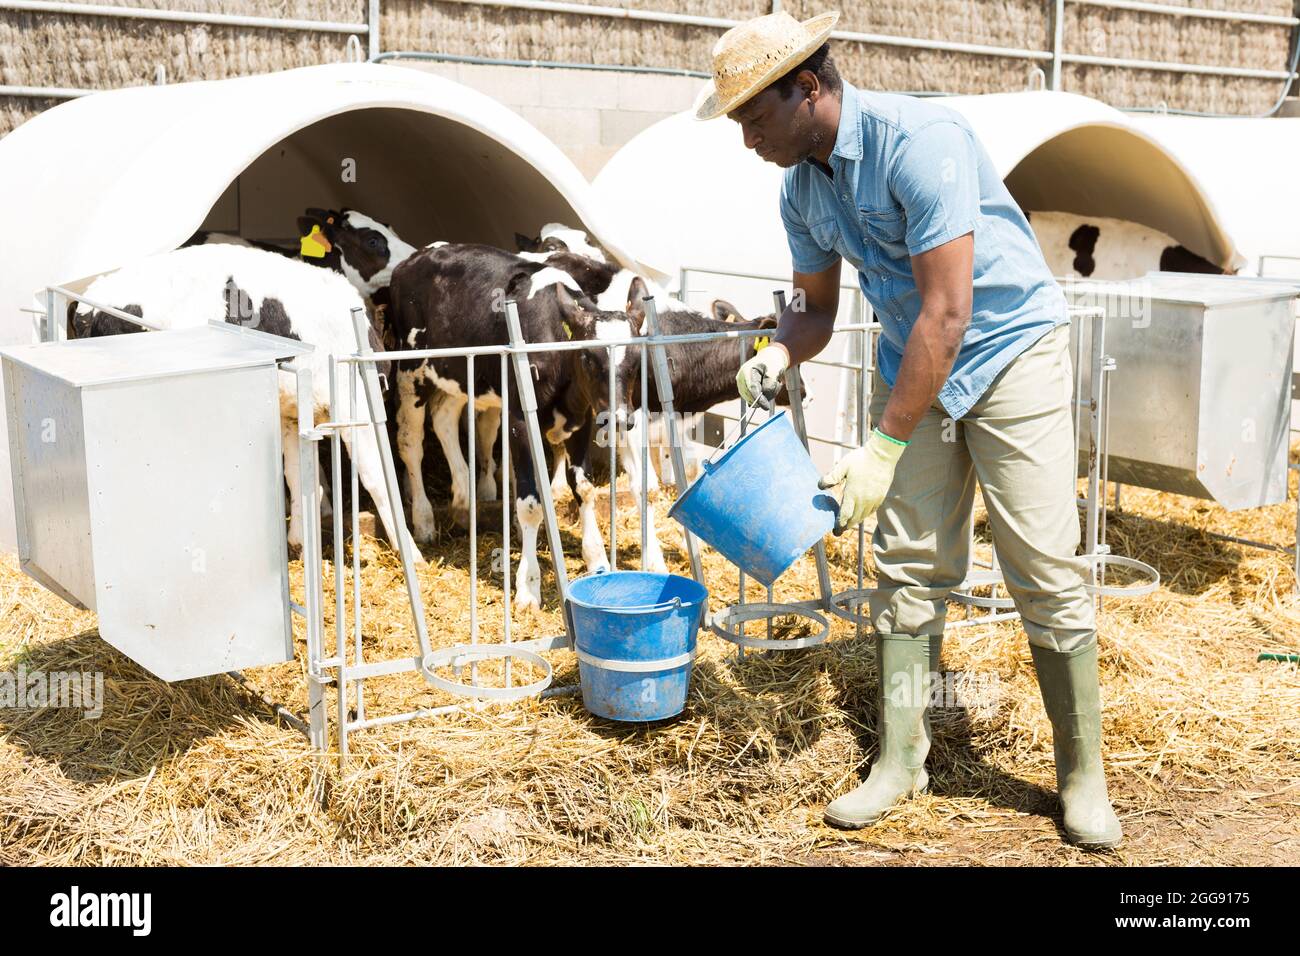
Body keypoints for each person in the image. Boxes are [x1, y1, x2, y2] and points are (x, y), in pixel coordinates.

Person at [695, 9, 1122, 849]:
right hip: (916, 356)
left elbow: (950, 310)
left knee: (1042, 561)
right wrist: (780, 352)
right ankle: (901, 759)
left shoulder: (921, 141)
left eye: (754, 115)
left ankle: (1082, 777)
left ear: (808, 87)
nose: (746, 138)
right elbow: (818, 308)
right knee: (908, 565)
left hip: (1008, 350)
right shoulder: (801, 188)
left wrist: (883, 447)